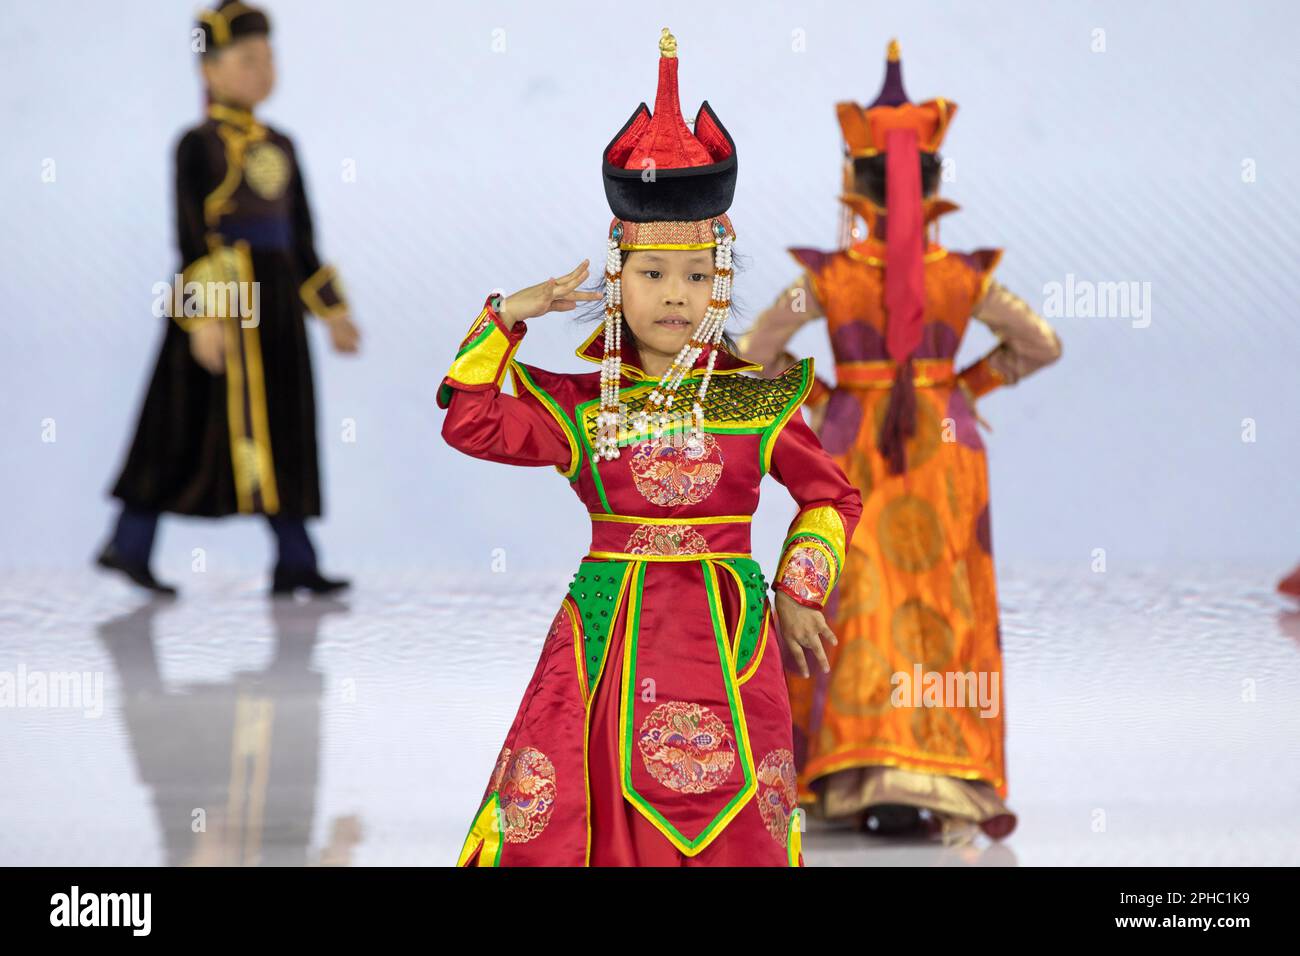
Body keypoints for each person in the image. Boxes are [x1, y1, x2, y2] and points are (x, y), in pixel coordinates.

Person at [440, 29, 862, 866]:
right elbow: (470, 417)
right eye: (653, 275)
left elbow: (831, 494)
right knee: (583, 817)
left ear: (723, 280)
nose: (676, 296)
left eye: (697, 275)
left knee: (738, 817)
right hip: (607, 636)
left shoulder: (758, 400)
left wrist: (801, 588)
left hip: (731, 635)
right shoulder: (577, 408)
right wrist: (510, 314)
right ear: (616, 278)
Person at [737, 39, 1062, 841]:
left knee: (853, 599)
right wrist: (966, 388)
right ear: (937, 181)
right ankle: (944, 771)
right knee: (941, 604)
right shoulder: (966, 277)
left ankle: (843, 775)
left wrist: (825, 397)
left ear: (855, 181)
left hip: (852, 439)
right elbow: (1041, 345)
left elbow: (750, 353)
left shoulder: (828, 275)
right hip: (946, 448)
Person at [97, 0, 359, 596]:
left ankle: (296, 558)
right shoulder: (196, 145)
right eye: (246, 59)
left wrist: (333, 312)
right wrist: (204, 318)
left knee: (284, 426)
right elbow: (192, 238)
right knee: (182, 426)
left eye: (268, 58)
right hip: (218, 306)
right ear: (207, 70)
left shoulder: (284, 145)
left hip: (278, 311)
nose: (261, 70)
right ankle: (128, 543)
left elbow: (303, 238)